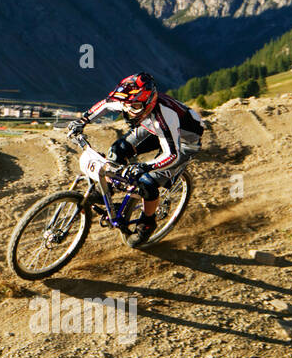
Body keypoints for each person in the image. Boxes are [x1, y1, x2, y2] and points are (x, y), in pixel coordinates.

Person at [66, 73, 205, 247]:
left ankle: (148, 223)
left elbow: (172, 155)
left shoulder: (165, 116)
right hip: (152, 127)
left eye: (136, 107)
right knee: (117, 151)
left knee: (148, 182)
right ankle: (108, 189)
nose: (129, 111)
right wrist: (82, 121)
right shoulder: (133, 100)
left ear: (149, 102)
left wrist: (145, 166)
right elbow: (106, 104)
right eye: (127, 106)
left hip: (184, 142)